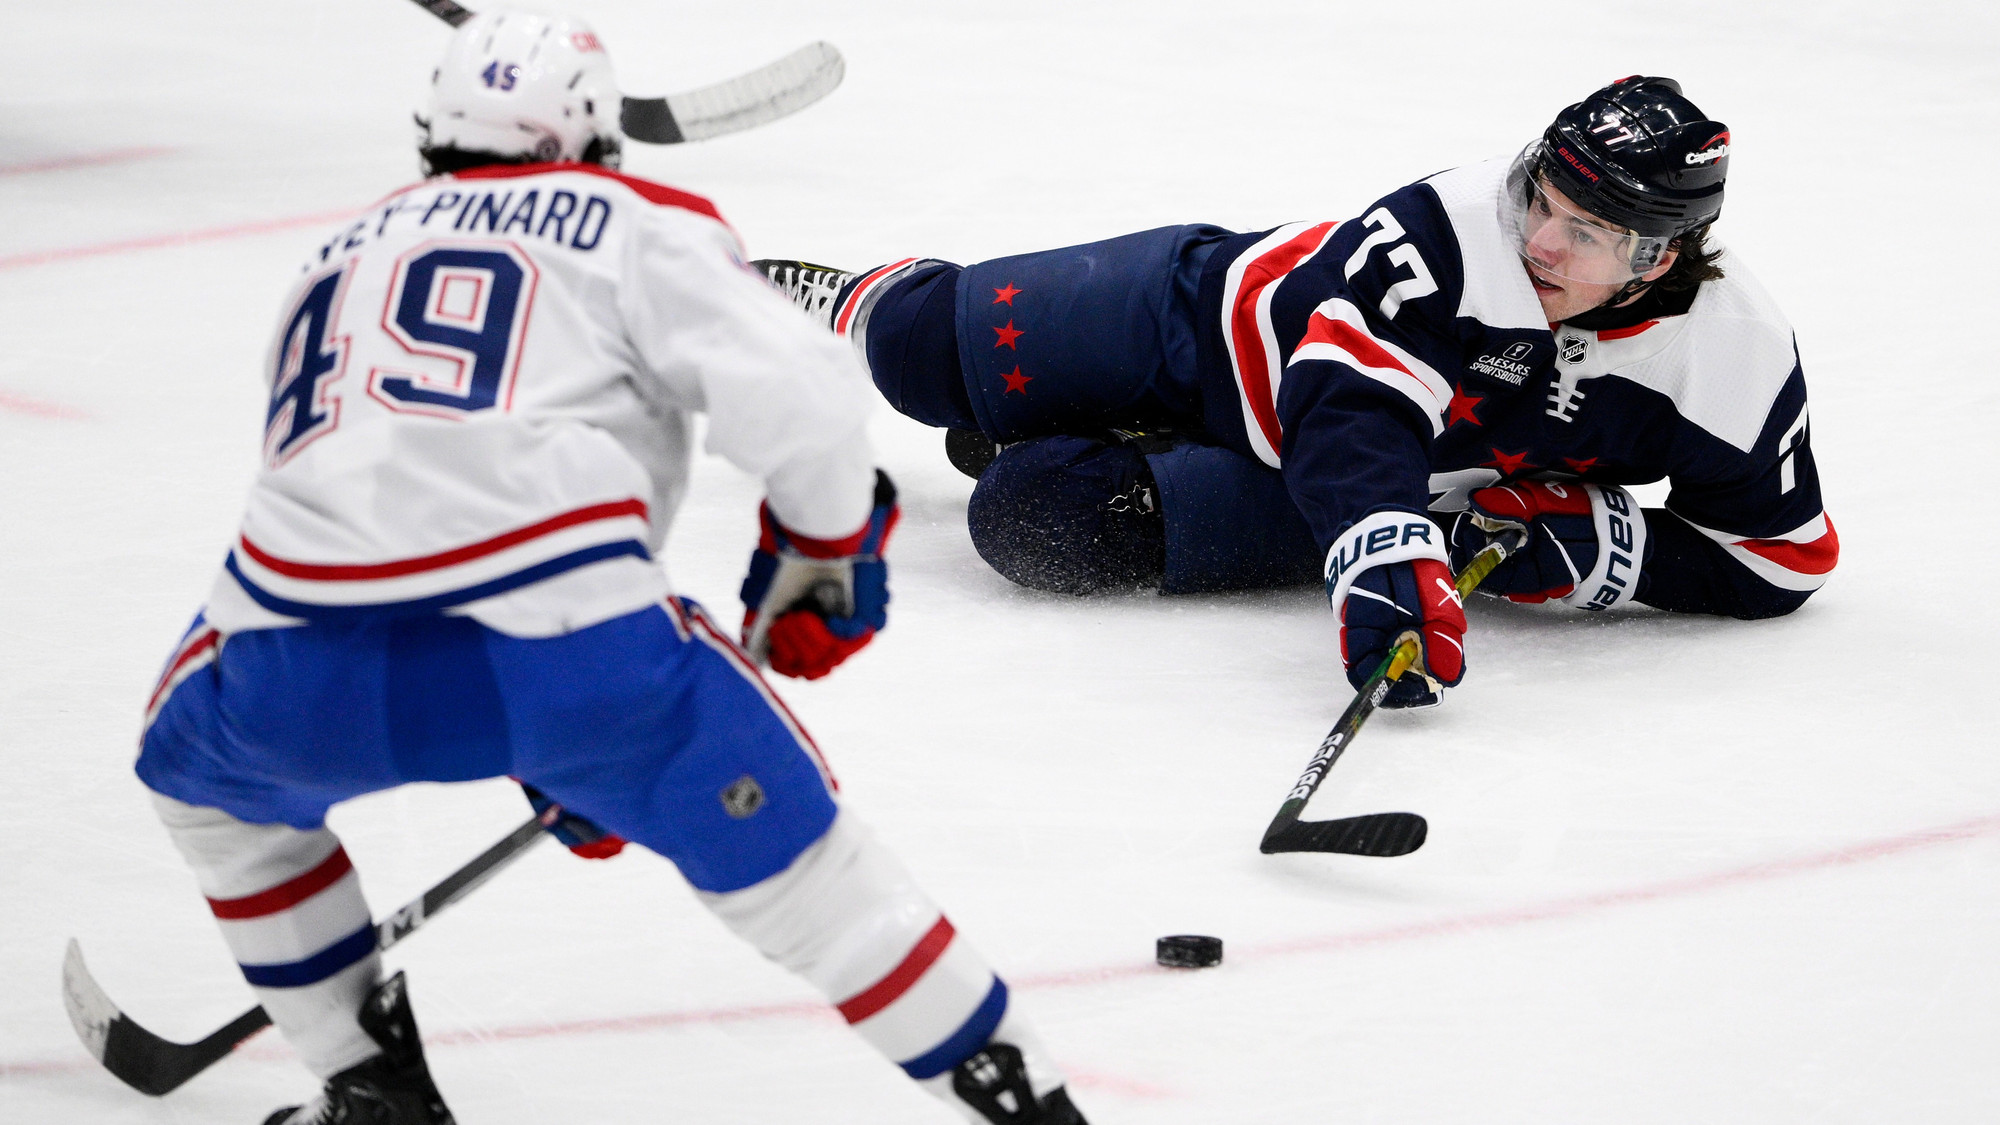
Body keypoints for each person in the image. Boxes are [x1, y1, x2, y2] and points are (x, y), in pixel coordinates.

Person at [135, 12, 1086, 1124]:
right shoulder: (631, 220)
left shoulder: (335, 253)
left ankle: (366, 1087)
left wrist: (523, 737)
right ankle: (1034, 1109)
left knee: (205, 794)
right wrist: (820, 557)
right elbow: (803, 396)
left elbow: (386, 523)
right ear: (591, 133)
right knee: (817, 889)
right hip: (578, 660)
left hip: (287, 669)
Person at [757, 76, 1837, 708]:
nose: (1541, 241)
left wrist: (1618, 554)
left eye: (1590, 233)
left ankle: (1080, 442)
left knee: (1034, 521)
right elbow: (1349, 405)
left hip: (1332, 484)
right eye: (1542, 199)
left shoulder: (1732, 359)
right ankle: (871, 299)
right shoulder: (1451, 227)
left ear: (1661, 256)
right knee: (917, 358)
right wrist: (1380, 545)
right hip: (1212, 330)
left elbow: (1781, 559)